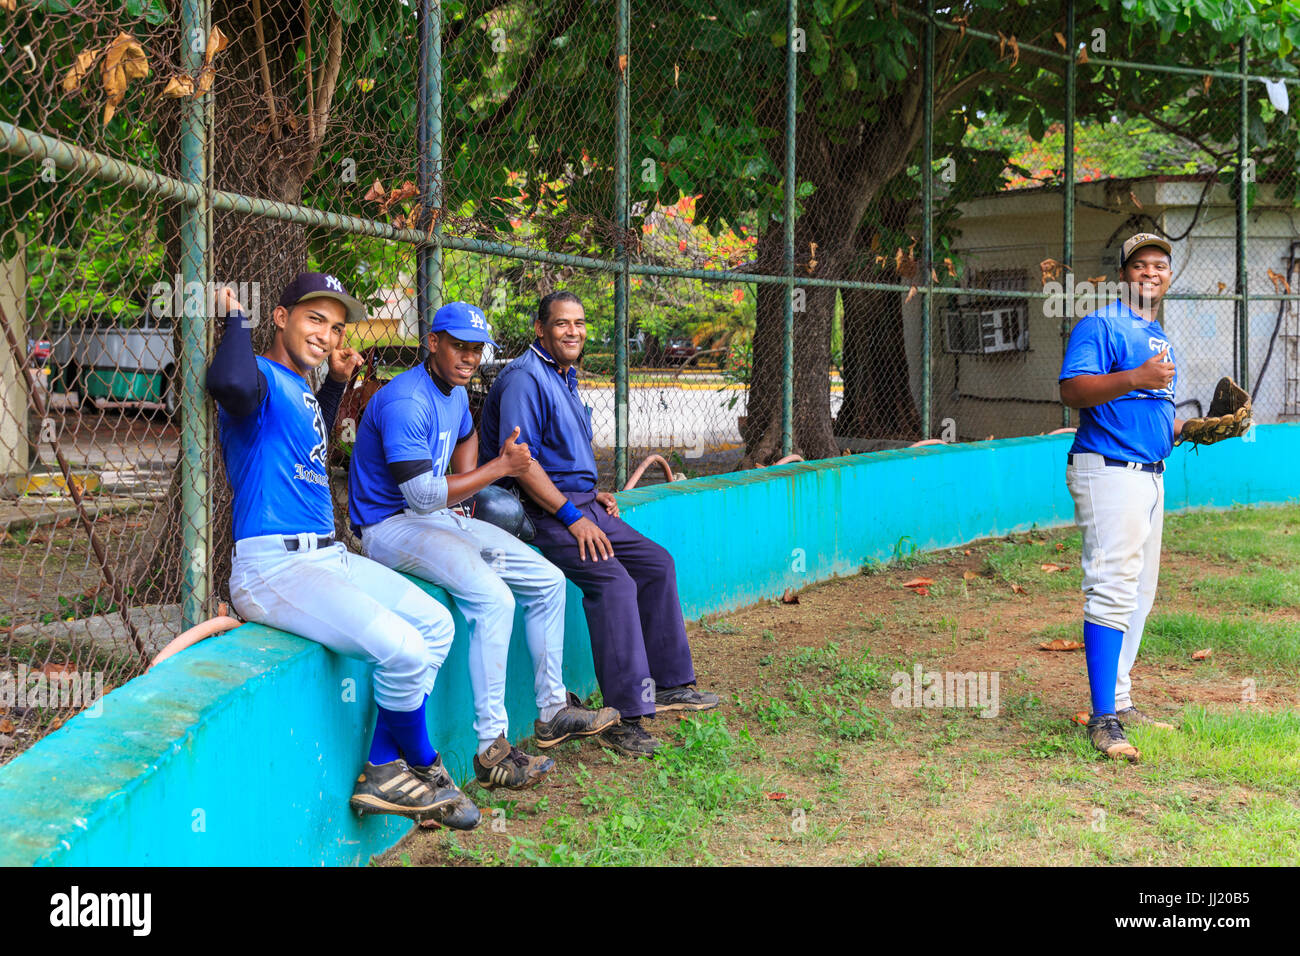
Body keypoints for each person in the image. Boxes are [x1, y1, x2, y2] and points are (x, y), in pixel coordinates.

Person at [206, 272, 478, 828]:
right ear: (279, 318)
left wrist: (332, 383)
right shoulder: (256, 378)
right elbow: (229, 385)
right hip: (273, 565)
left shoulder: (295, 384)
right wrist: (235, 317)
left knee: (435, 626)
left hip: (324, 556)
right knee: (403, 650)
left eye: (334, 327)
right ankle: (425, 766)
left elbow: (308, 437)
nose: (327, 335)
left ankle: (381, 765)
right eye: (314, 320)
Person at [348, 300, 620, 791]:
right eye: (459, 346)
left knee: (547, 580)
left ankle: (552, 710)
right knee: (494, 598)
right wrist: (496, 471)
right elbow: (421, 494)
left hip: (432, 516)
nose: (469, 357)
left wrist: (464, 481)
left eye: (476, 350)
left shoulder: (452, 390)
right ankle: (491, 747)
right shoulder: (406, 400)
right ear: (434, 343)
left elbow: (468, 434)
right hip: (388, 525)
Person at [479, 291, 719, 758]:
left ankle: (667, 684)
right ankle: (626, 716)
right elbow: (523, 464)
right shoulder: (525, 380)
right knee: (613, 583)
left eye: (580, 323)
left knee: (655, 563)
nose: (573, 331)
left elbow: (563, 454)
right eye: (562, 323)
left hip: (584, 504)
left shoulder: (562, 375)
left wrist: (591, 492)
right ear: (540, 329)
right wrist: (571, 516)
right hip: (544, 514)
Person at [1059, 233, 1183, 763]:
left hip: (1148, 473)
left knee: (1139, 594)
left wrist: (1190, 428)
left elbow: (1145, 411)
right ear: (1123, 274)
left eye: (1160, 264)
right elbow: (1072, 389)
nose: (1151, 272)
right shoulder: (1101, 324)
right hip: (1108, 469)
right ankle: (1103, 718)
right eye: (1140, 265)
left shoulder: (1154, 333)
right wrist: (1136, 375)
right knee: (1111, 589)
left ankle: (1122, 700)